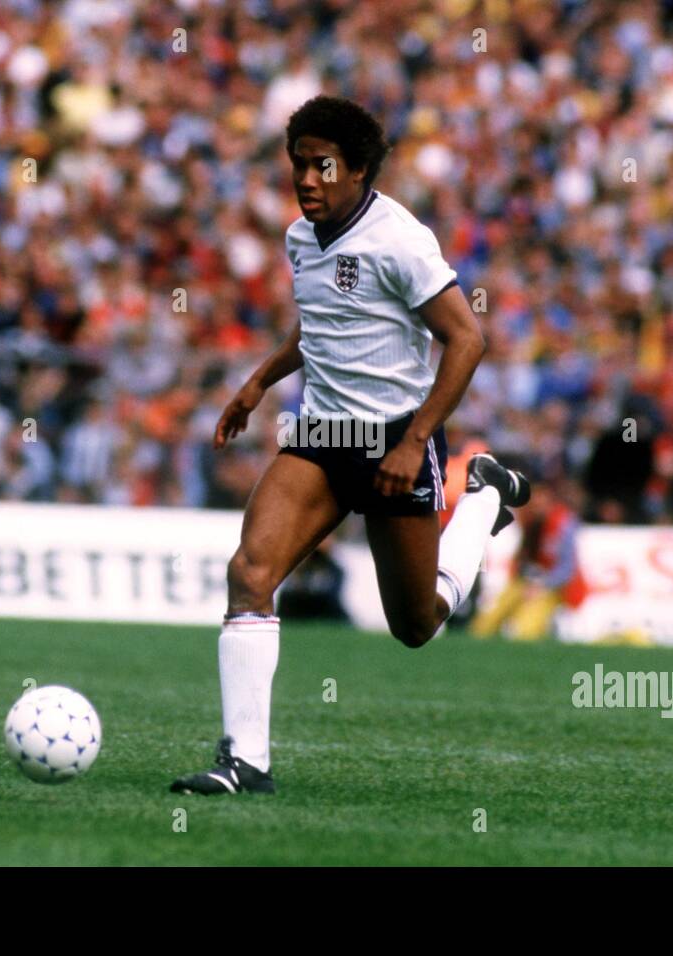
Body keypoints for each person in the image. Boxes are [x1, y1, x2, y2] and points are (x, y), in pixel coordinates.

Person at [170, 96, 530, 796]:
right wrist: (256, 384)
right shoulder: (300, 239)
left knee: (417, 623)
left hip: (398, 441)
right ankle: (245, 762)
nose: (306, 178)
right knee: (250, 573)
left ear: (359, 169)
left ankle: (483, 500)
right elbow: (324, 326)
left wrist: (416, 440)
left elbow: (467, 338)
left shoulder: (400, 239)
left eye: (322, 165)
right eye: (298, 164)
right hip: (324, 437)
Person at [471, 478, 587, 641]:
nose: (536, 505)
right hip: (527, 581)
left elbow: (567, 568)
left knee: (521, 631)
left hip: (554, 588)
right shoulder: (529, 520)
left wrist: (542, 585)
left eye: (541, 500)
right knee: (483, 625)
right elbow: (524, 557)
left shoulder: (564, 523)